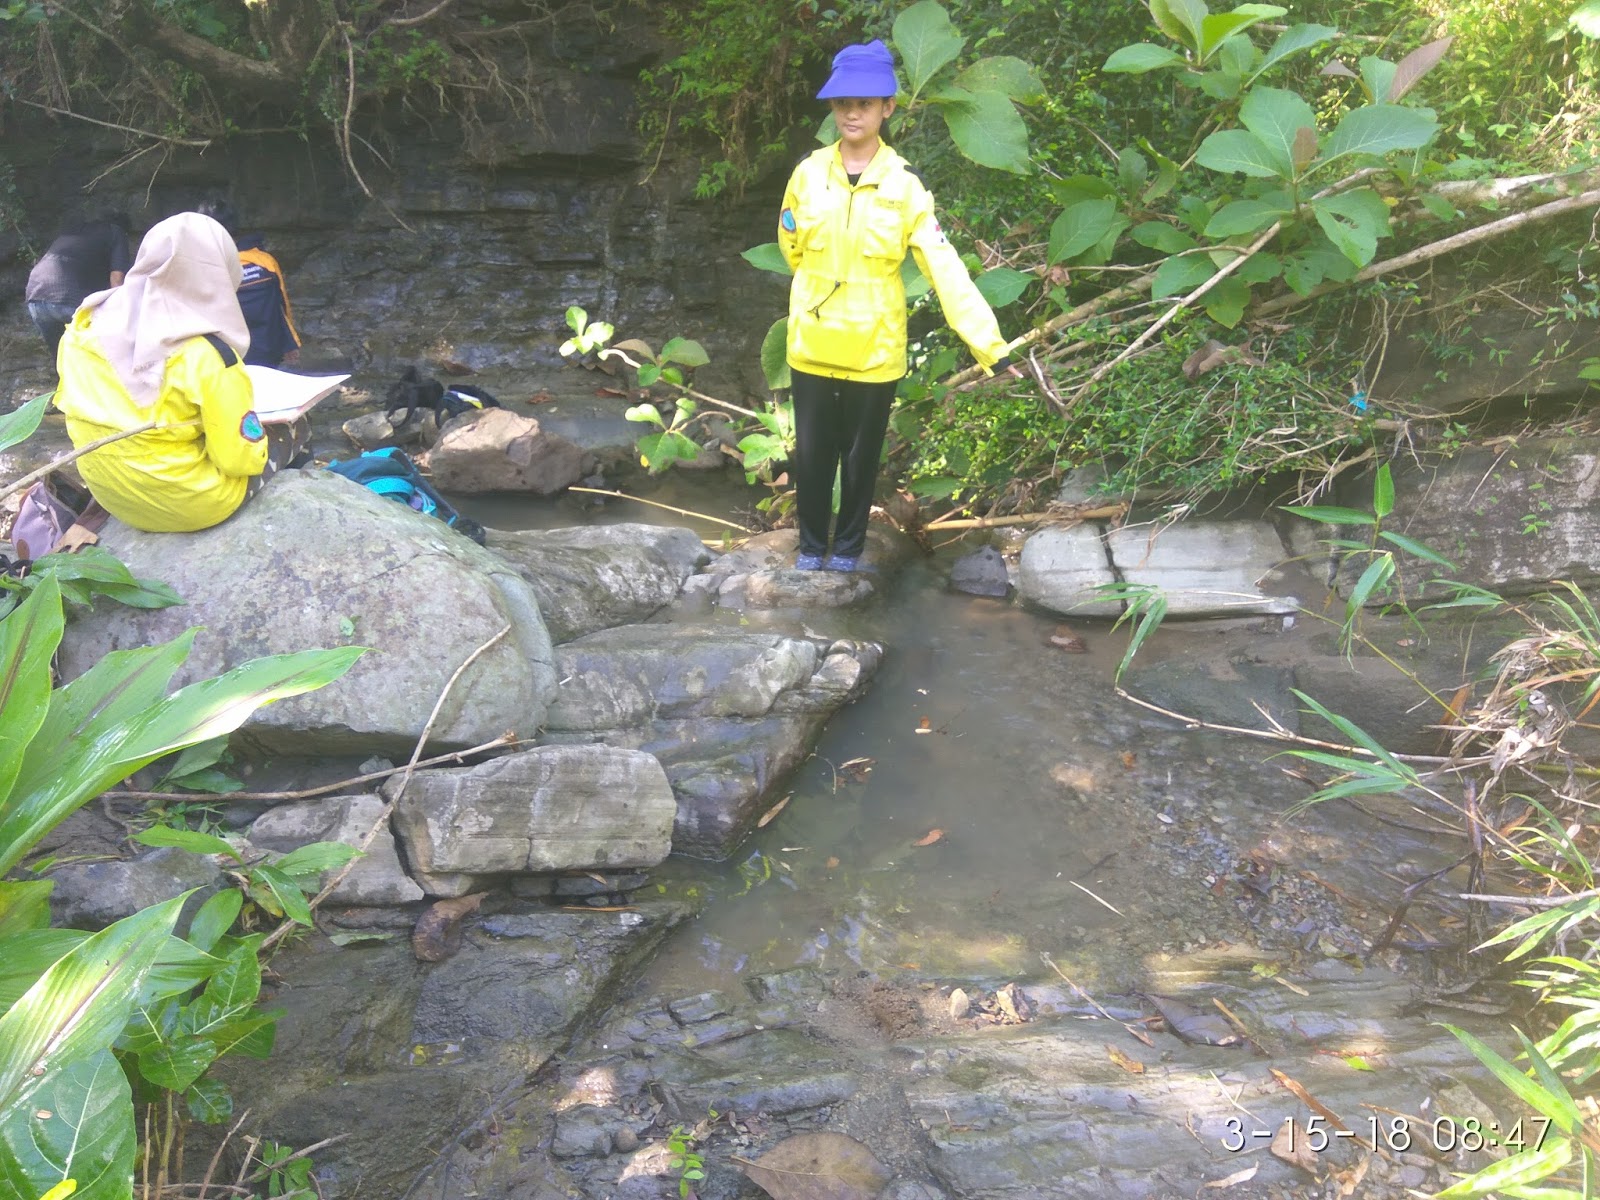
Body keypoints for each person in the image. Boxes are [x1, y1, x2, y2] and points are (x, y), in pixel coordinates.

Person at [778, 39, 1016, 573]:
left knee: (859, 461)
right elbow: (791, 243)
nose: (852, 112)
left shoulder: (906, 188)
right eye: (843, 103)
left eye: (865, 102)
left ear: (888, 107)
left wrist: (989, 346)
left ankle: (848, 552)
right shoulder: (807, 175)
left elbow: (944, 267)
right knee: (812, 457)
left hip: (874, 349)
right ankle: (811, 548)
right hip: (812, 342)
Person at [52, 211, 307, 533]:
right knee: (297, 429)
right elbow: (238, 460)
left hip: (113, 498)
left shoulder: (82, 327)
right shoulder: (209, 355)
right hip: (191, 505)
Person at [195, 198, 302, 367]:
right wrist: (291, 343)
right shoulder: (265, 261)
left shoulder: (206, 266)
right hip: (269, 349)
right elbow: (282, 305)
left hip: (228, 355)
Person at [24, 210, 133, 358]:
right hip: (68, 298)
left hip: (35, 295)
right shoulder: (116, 232)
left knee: (62, 359)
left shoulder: (75, 231)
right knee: (95, 356)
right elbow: (117, 280)